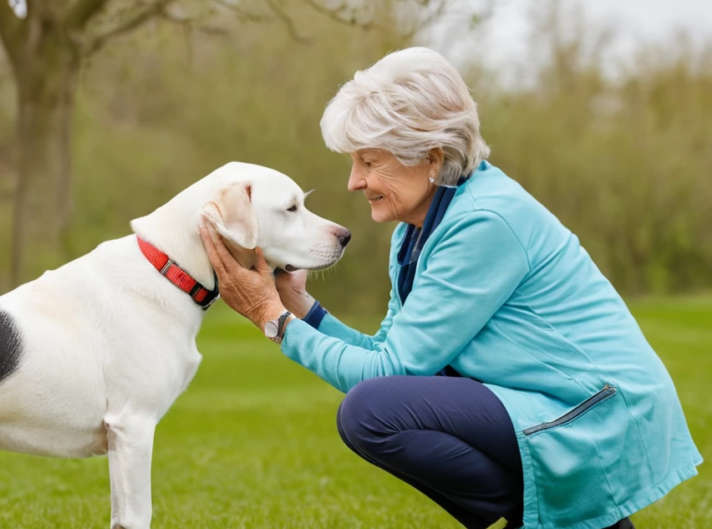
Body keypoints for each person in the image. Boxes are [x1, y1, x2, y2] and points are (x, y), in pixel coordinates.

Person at [198, 47, 702, 529]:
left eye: (369, 162)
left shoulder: (485, 221)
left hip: (599, 413)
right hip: (550, 402)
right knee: (373, 407)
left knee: (370, 413)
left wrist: (274, 320)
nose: (353, 182)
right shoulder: (417, 229)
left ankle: (567, 520)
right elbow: (390, 355)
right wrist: (299, 306)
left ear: (431, 157)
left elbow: (390, 373)